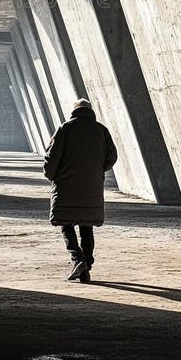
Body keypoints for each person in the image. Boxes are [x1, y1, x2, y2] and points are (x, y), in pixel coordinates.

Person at [43, 98, 117, 283]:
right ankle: (86, 267)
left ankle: (78, 258)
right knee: (87, 226)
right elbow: (112, 157)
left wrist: (51, 175)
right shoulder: (101, 130)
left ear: (74, 111)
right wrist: (97, 171)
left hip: (66, 185)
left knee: (65, 223)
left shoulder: (65, 129)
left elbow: (51, 157)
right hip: (91, 185)